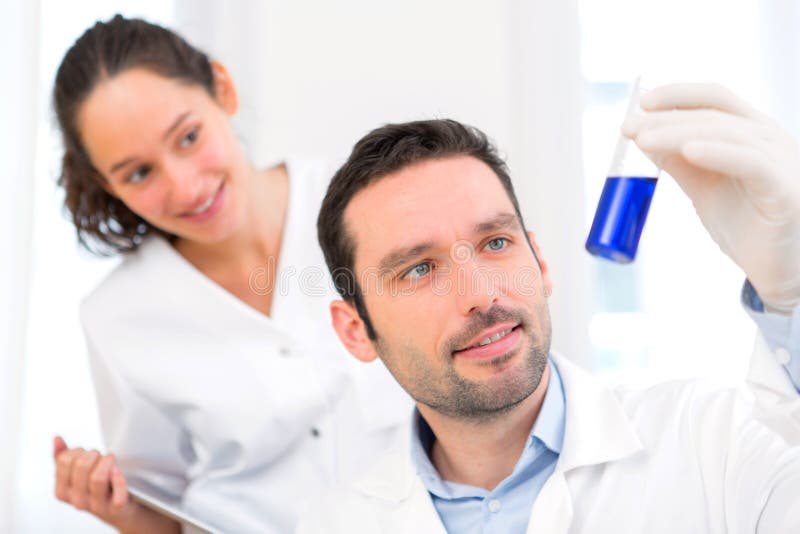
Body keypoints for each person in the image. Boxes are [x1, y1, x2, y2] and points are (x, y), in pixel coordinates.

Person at [299, 85, 800, 533]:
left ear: (538, 262)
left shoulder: (718, 441)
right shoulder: (334, 524)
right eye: (418, 270)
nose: (481, 293)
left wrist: (792, 295)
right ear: (355, 331)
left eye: (495, 242)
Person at [50, 14, 410, 534]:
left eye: (189, 136)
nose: (184, 187)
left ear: (222, 90)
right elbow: (170, 517)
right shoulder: (117, 317)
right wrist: (119, 509)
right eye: (138, 173)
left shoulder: (369, 202)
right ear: (108, 184)